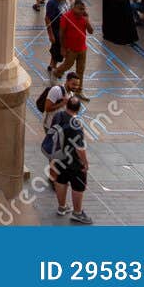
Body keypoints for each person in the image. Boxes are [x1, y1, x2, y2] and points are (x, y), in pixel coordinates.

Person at [49, 95, 93, 224]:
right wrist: (85, 163)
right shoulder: (76, 125)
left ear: (67, 106)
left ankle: (62, 207)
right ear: (78, 109)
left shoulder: (58, 116)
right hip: (73, 161)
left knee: (61, 181)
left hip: (58, 157)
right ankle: (77, 213)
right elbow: (80, 148)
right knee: (78, 186)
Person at [52, 0, 92, 83]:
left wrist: (87, 21)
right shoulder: (66, 17)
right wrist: (63, 48)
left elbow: (91, 31)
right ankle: (56, 72)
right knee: (67, 65)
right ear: (74, 8)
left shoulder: (84, 17)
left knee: (81, 70)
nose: (82, 11)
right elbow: (61, 33)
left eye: (83, 9)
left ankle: (79, 90)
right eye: (80, 9)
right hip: (71, 48)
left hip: (82, 48)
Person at [44, 0, 69, 74]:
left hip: (63, 29)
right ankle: (54, 67)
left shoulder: (63, 1)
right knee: (57, 48)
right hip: (56, 30)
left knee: (56, 48)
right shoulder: (52, 3)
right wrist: (51, 35)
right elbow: (47, 19)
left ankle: (51, 65)